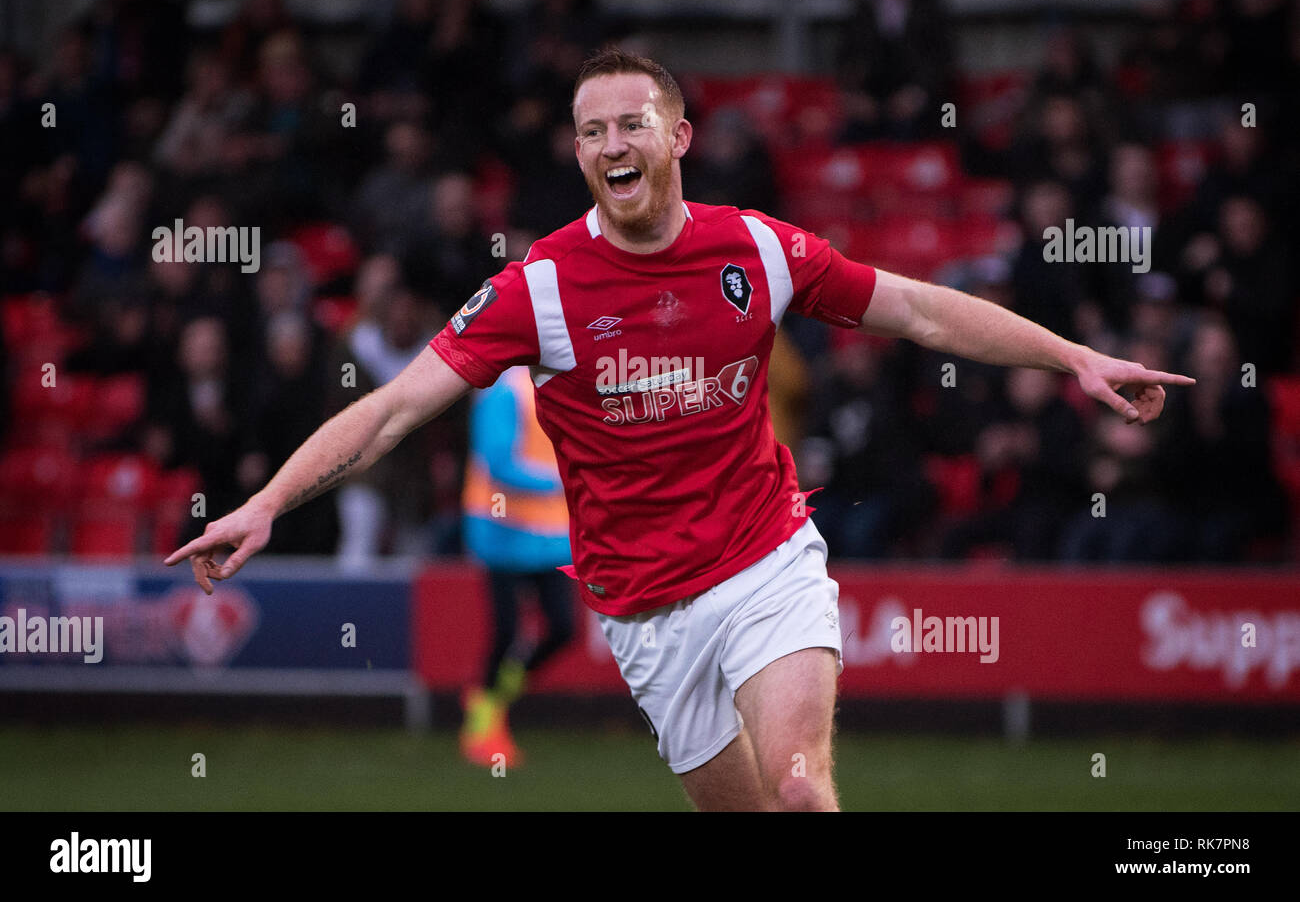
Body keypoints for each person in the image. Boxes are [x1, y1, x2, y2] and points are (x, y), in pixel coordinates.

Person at [166, 48, 1195, 811]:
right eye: (593, 131)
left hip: (764, 561)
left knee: (800, 792)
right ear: (577, 152)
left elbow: (919, 310)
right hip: (642, 612)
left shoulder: (758, 249)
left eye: (632, 122)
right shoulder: (541, 288)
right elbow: (393, 408)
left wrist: (1075, 357)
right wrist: (264, 503)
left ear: (676, 137)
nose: (614, 144)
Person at [459, 365, 574, 767]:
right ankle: (484, 722)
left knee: (563, 628)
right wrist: (567, 477)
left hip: (549, 537)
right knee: (506, 631)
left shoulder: (562, 383)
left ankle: (493, 699)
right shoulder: (506, 391)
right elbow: (498, 463)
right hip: (502, 533)